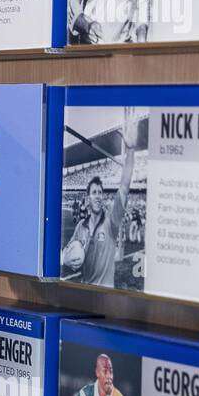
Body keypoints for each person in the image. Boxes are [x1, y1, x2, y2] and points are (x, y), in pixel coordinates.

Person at [62, 109, 139, 288]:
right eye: (94, 192)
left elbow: (125, 186)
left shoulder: (111, 221)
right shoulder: (81, 227)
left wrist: (131, 149)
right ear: (88, 197)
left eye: (100, 192)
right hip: (84, 291)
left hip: (106, 293)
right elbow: (69, 250)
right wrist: (67, 259)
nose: (97, 196)